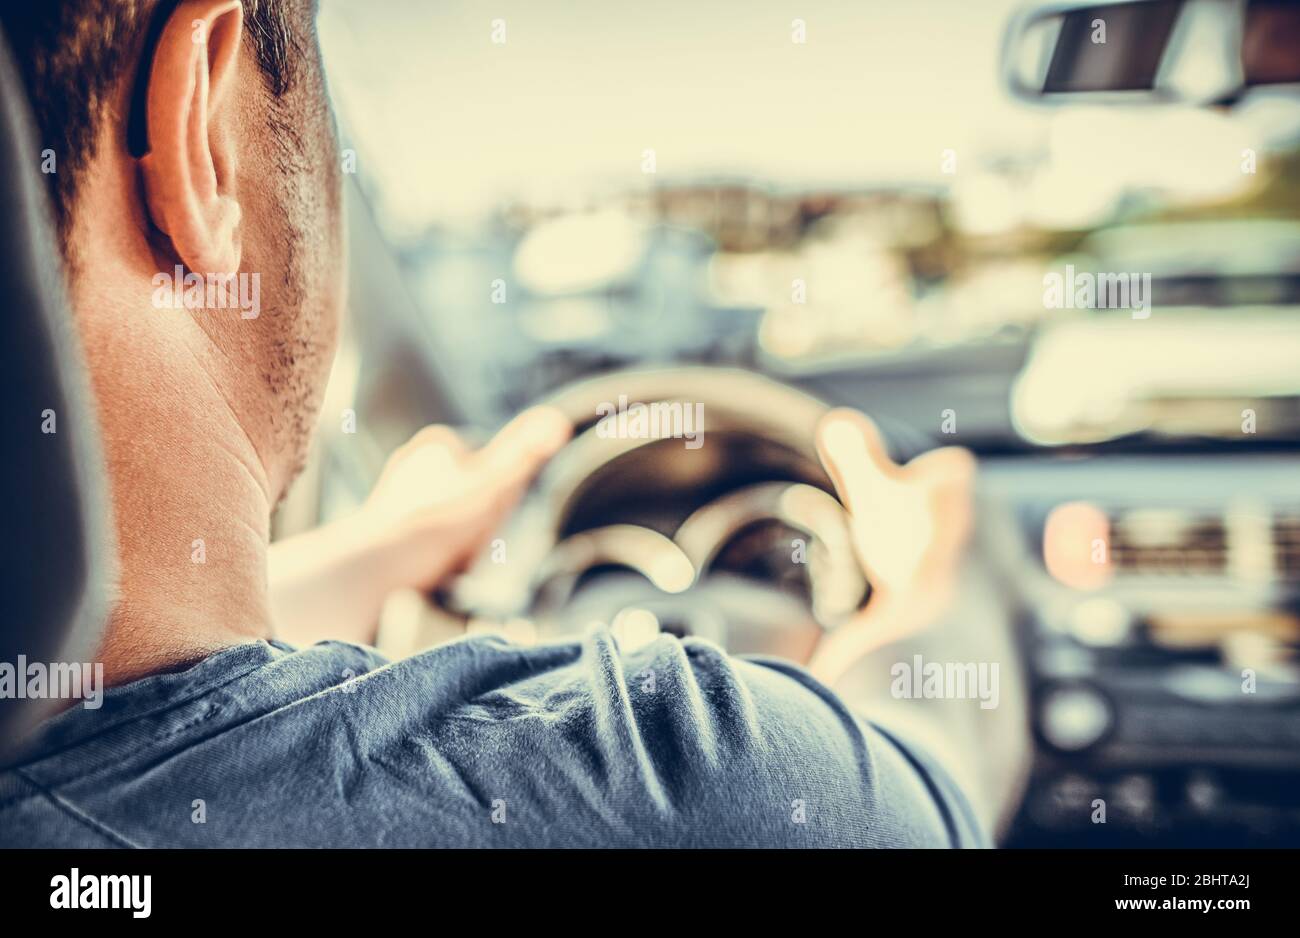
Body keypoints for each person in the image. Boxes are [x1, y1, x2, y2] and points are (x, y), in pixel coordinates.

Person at [0, 0, 1027, 848]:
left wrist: (390, 546)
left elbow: (147, 686)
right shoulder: (677, 781)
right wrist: (943, 574)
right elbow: (929, 787)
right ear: (199, 137)